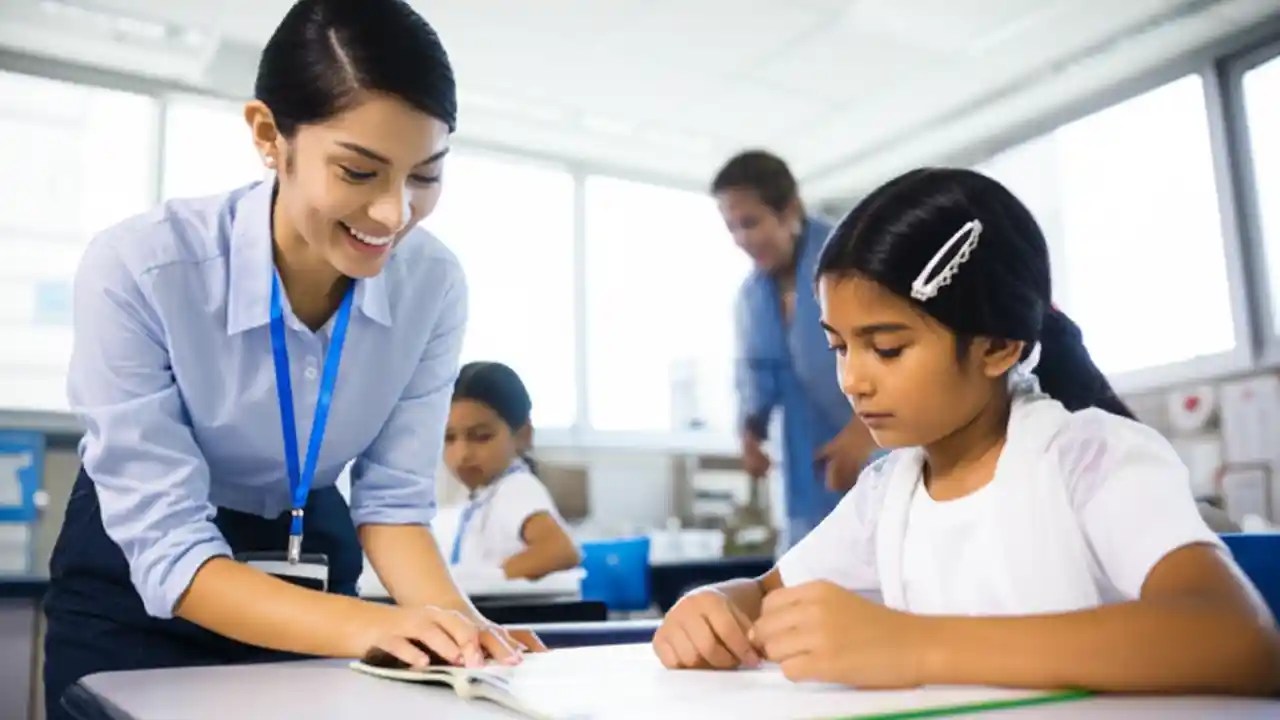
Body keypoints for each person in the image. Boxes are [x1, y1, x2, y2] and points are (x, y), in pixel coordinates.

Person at [42, 2, 542, 717]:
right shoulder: (141, 267)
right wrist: (378, 624)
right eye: (360, 171)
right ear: (269, 135)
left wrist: (470, 640)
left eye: (425, 176)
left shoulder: (433, 283)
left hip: (313, 562)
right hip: (137, 586)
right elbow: (170, 548)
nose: (393, 214)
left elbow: (395, 505)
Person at [652, 167, 1280, 695]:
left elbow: (1241, 640)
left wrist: (914, 646)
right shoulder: (887, 494)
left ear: (999, 346)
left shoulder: (1089, 460)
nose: (853, 381)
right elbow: (758, 595)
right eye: (839, 347)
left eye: (888, 349)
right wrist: (713, 605)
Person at [713, 150, 878, 547]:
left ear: (791, 210)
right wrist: (749, 434)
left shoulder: (855, 261)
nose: (743, 240)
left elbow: (903, 355)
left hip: (875, 454)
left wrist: (865, 434)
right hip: (807, 473)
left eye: (751, 222)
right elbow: (754, 374)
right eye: (732, 227)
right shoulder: (753, 295)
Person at [444, 361, 581, 580]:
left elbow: (560, 551)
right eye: (448, 438)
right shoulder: (482, 495)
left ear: (523, 435)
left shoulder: (516, 488)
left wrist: (485, 580)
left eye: (481, 437)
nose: (462, 454)